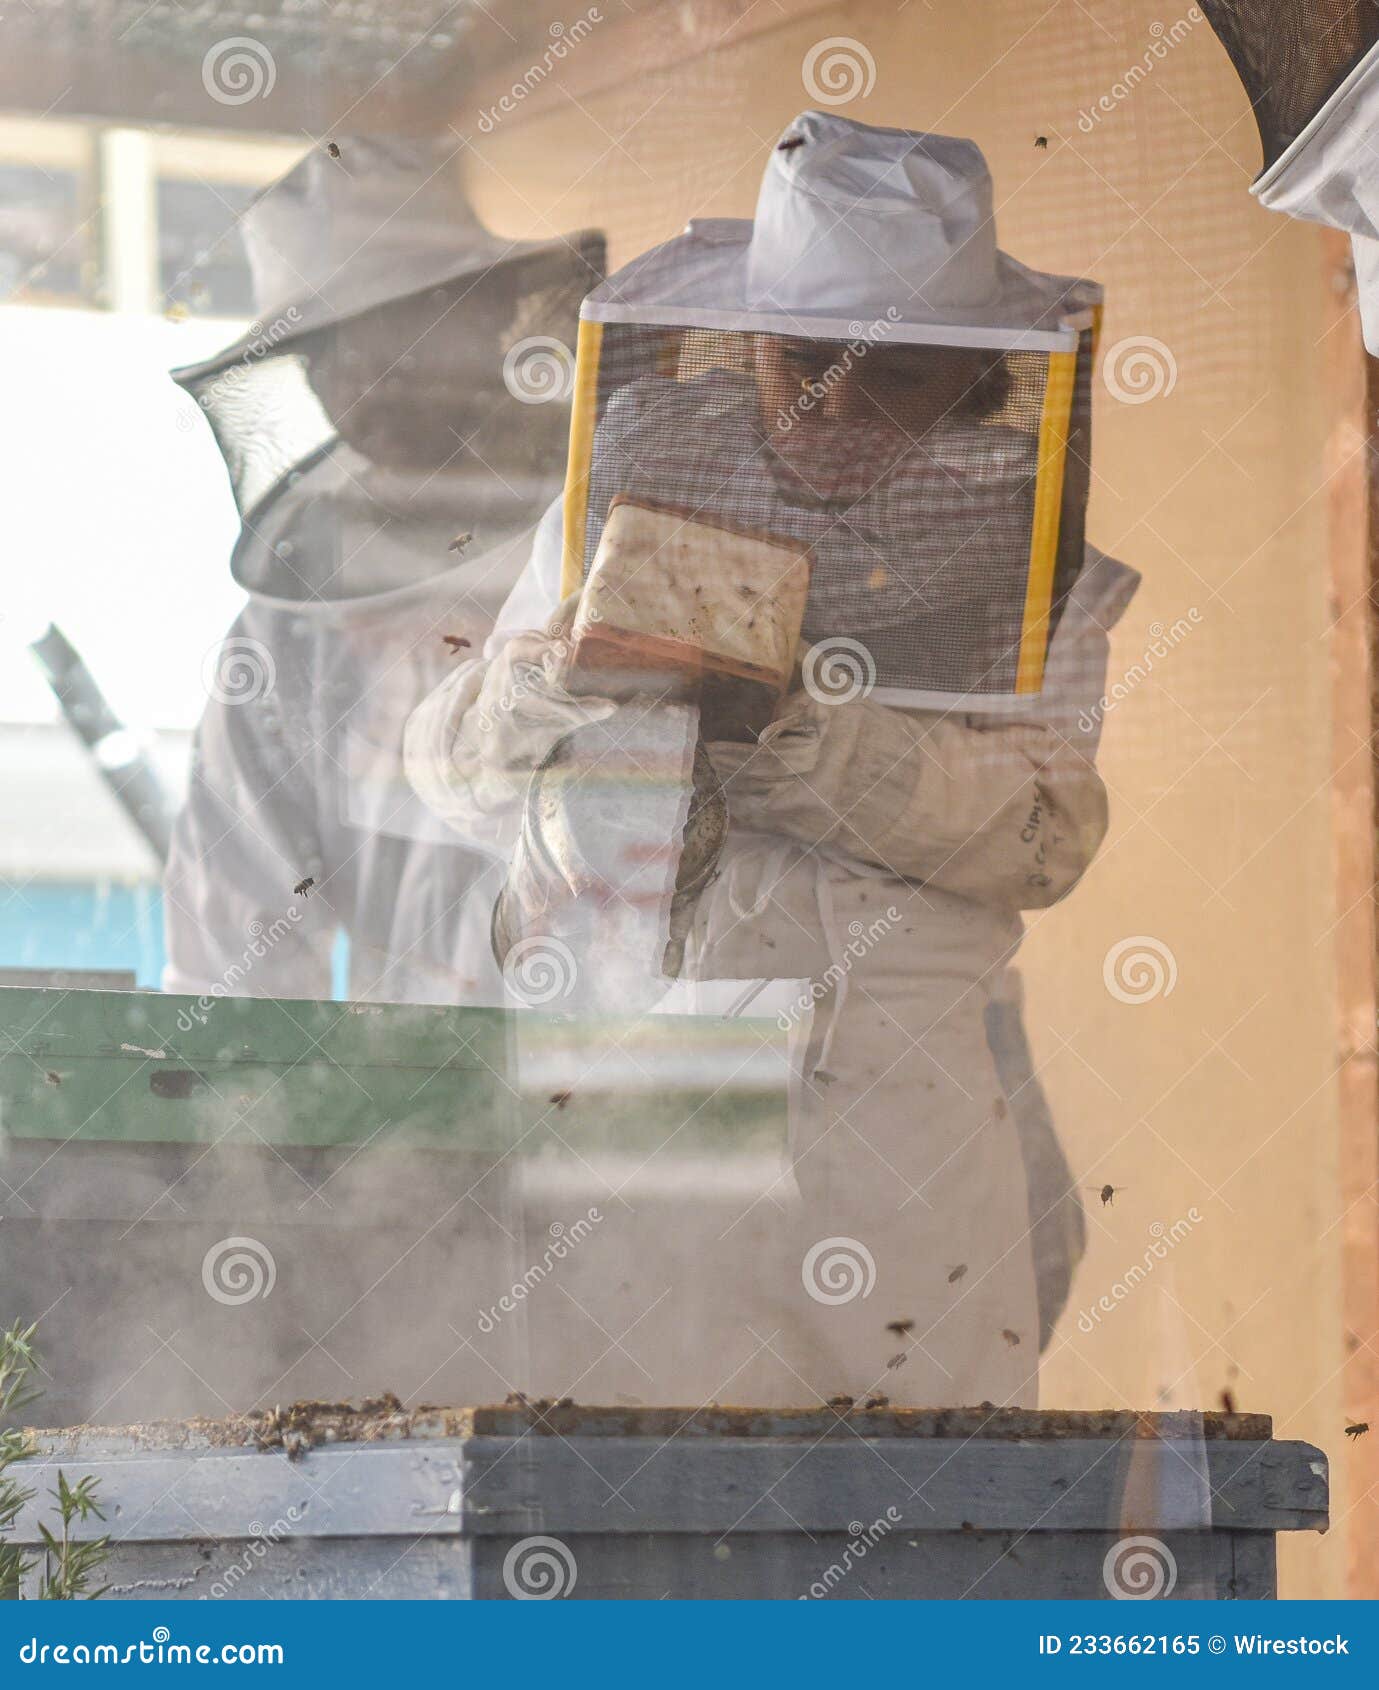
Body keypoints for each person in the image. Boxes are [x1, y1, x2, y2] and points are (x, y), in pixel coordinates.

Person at [405, 114, 1138, 1402]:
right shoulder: (617, 491)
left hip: (883, 1122)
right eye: (804, 361)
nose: (835, 408)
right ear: (747, 341)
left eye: (897, 377)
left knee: (911, 1543)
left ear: (976, 379)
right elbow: (446, 772)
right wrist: (550, 675)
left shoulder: (1032, 571)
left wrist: (798, 734)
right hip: (624, 1083)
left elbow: (1044, 835)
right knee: (622, 1528)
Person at [162, 139, 602, 1006]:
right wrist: (243, 1127)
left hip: (631, 1100)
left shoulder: (607, 548)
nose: (372, 382)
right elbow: (231, 955)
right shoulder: (291, 638)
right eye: (332, 353)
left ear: (487, 318)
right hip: (401, 1117)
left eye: (409, 333)